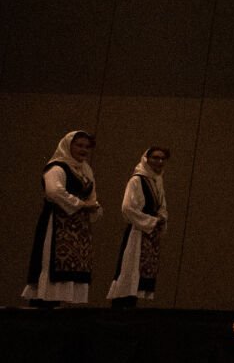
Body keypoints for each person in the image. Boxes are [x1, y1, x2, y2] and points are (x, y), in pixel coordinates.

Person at [22, 131, 102, 307]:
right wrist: (81, 204)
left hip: (77, 228)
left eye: (87, 146)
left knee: (70, 267)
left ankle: (56, 304)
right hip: (57, 224)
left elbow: (91, 196)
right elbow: (54, 191)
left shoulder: (86, 170)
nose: (83, 150)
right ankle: (43, 304)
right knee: (52, 262)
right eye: (79, 145)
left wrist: (93, 206)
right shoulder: (57, 167)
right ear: (68, 145)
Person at [106, 146, 169, 308]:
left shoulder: (157, 180)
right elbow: (127, 208)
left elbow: (161, 206)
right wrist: (151, 221)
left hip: (149, 233)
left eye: (162, 158)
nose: (159, 161)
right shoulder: (137, 180)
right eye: (155, 158)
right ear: (146, 159)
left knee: (140, 271)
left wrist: (161, 218)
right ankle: (120, 304)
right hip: (137, 231)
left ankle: (130, 304)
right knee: (130, 267)